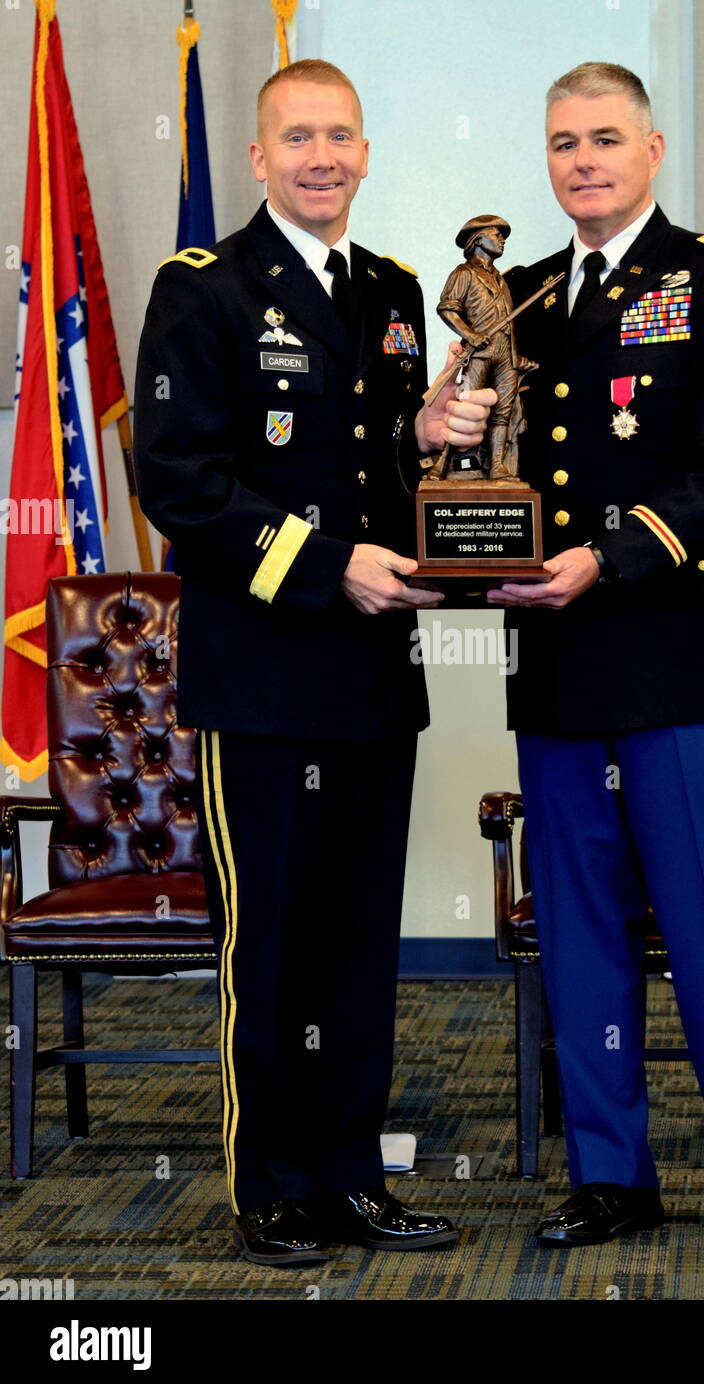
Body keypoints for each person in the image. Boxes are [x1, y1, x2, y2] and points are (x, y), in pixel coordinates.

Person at [134, 59, 495, 1265]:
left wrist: (424, 433)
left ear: (365, 151)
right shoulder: (204, 290)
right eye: (298, 137)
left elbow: (369, 462)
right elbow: (180, 485)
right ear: (257, 157)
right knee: (272, 940)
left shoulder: (391, 290)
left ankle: (351, 1174)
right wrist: (327, 560)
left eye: (340, 134)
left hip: (372, 672)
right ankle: (270, 1184)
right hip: (264, 674)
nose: (322, 156)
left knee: (354, 940)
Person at [489, 61, 704, 1248]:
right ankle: (612, 1174)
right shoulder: (511, 301)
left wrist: (602, 560)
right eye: (562, 142)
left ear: (654, 150)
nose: (582, 160)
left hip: (676, 660)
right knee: (580, 932)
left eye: (605, 137)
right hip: (561, 668)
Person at [426, 215, 535, 480]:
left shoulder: (501, 278)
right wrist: (470, 335)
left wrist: (515, 356)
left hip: (505, 355)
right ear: (477, 240)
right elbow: (447, 309)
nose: (501, 240)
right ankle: (441, 466)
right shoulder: (463, 273)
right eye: (495, 235)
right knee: (463, 413)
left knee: (503, 414)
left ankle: (497, 465)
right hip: (480, 353)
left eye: (502, 237)